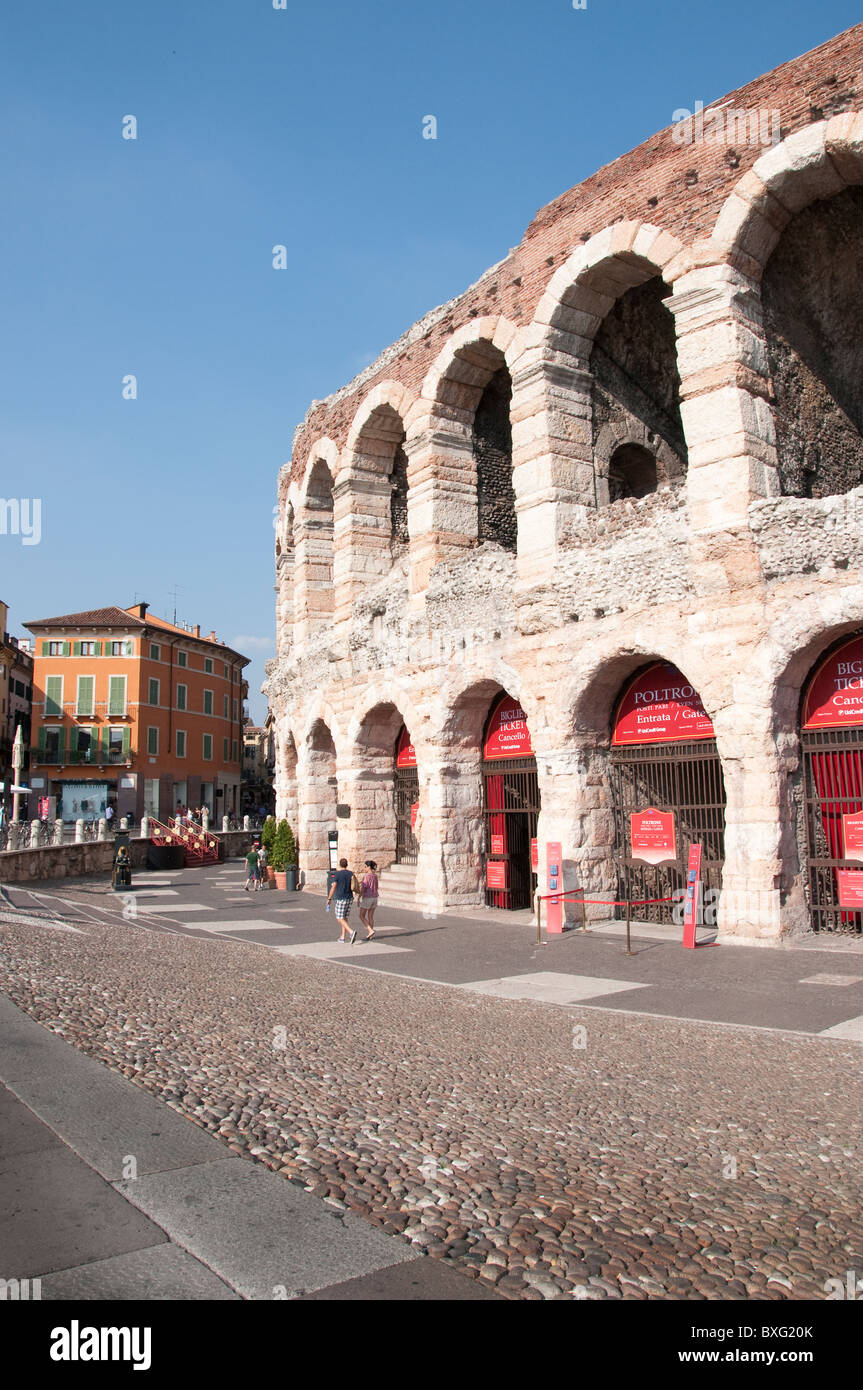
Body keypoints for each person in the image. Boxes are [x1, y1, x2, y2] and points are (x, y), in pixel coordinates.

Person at [326, 858, 359, 943]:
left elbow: (333, 887)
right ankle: (343, 937)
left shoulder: (337, 874)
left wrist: (329, 898)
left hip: (341, 898)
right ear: (346, 864)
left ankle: (351, 932)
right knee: (344, 917)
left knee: (339, 917)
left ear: (340, 865)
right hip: (350, 897)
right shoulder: (350, 873)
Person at [357, 860, 379, 940]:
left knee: (361, 915)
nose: (365, 868)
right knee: (370, 916)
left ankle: (370, 930)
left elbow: (363, 887)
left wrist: (359, 897)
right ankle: (371, 935)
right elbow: (377, 886)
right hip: (375, 897)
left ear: (369, 867)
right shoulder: (375, 876)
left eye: (365, 866)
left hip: (368, 897)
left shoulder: (366, 876)